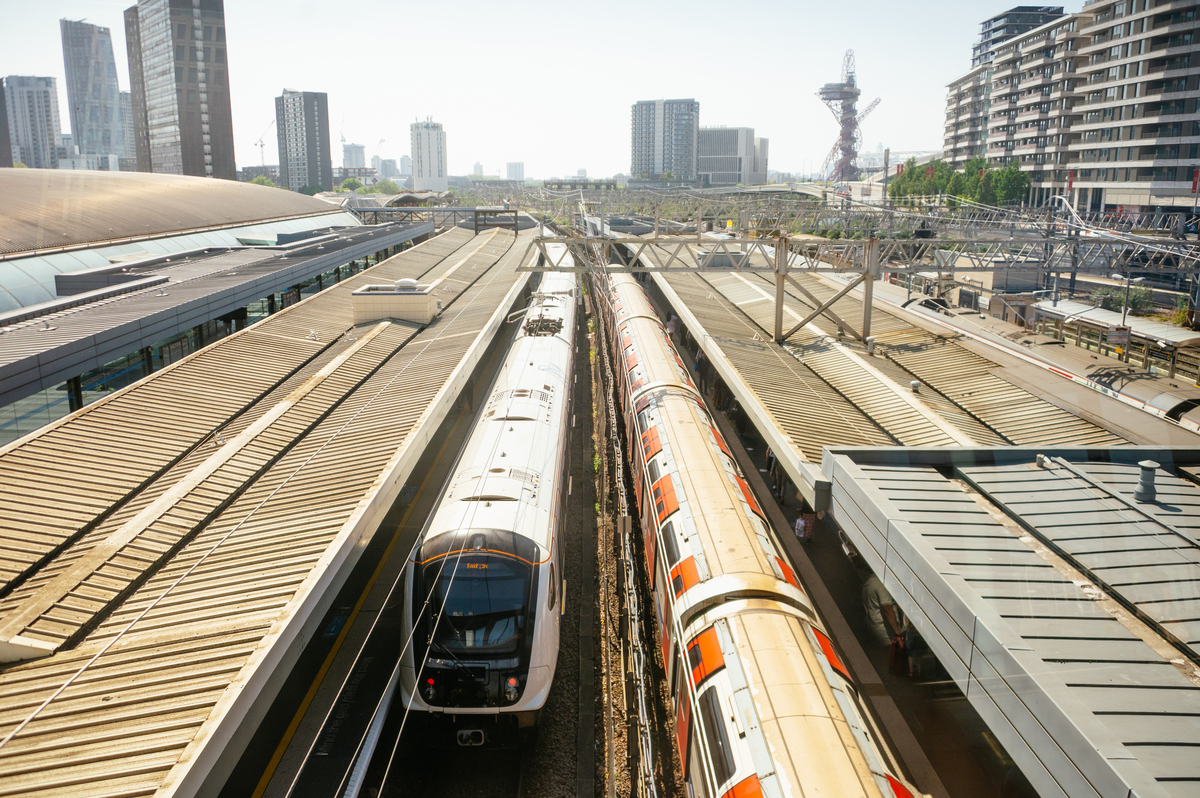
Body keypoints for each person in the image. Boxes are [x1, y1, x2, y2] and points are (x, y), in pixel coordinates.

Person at [862, 572, 903, 648]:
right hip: (887, 634)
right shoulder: (881, 585)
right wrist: (898, 635)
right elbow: (887, 609)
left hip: (875, 630)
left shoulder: (868, 584)